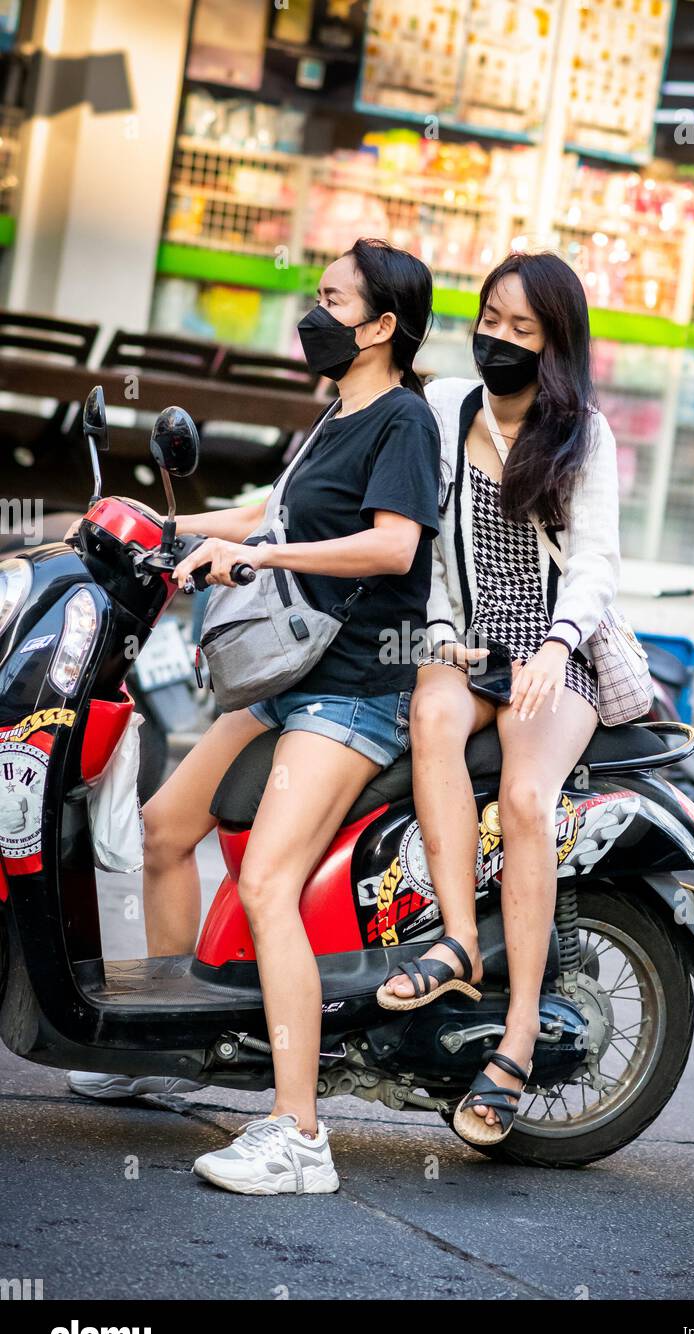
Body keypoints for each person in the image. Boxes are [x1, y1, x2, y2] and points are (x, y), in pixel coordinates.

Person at [67, 238, 441, 1195]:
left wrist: (264, 562)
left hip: (355, 689)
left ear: (382, 326)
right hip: (285, 677)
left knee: (268, 883)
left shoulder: (404, 421)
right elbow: (269, 515)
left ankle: (298, 1132)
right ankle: (162, 1053)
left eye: (331, 300)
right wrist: (156, 524)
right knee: (162, 829)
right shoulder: (333, 416)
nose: (313, 316)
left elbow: (392, 549)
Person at [377, 251, 620, 1145]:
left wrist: (558, 644)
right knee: (430, 715)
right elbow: (436, 544)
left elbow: (595, 563)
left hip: (555, 652)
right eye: (490, 320)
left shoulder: (584, 434)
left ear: (555, 343)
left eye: (522, 328)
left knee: (525, 799)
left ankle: (516, 1039)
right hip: (471, 641)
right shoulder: (445, 408)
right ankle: (457, 942)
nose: (499, 340)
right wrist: (443, 635)